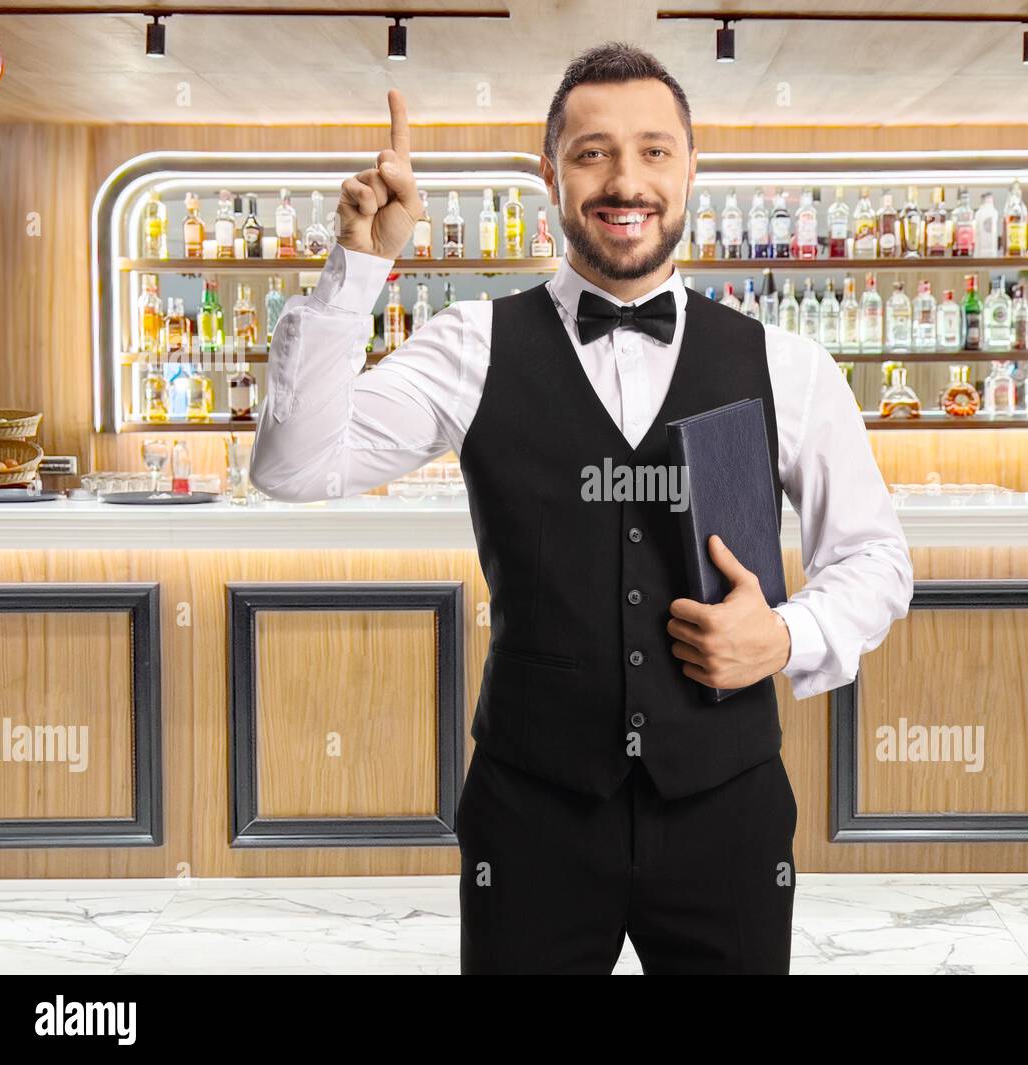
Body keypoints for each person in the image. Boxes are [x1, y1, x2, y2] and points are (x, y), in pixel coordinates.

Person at [249, 41, 912, 974]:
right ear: (549, 172)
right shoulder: (471, 345)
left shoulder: (786, 364)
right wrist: (359, 266)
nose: (625, 179)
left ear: (691, 171)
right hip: (532, 812)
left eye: (654, 150)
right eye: (593, 151)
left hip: (726, 804)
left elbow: (877, 560)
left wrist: (788, 639)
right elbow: (292, 467)